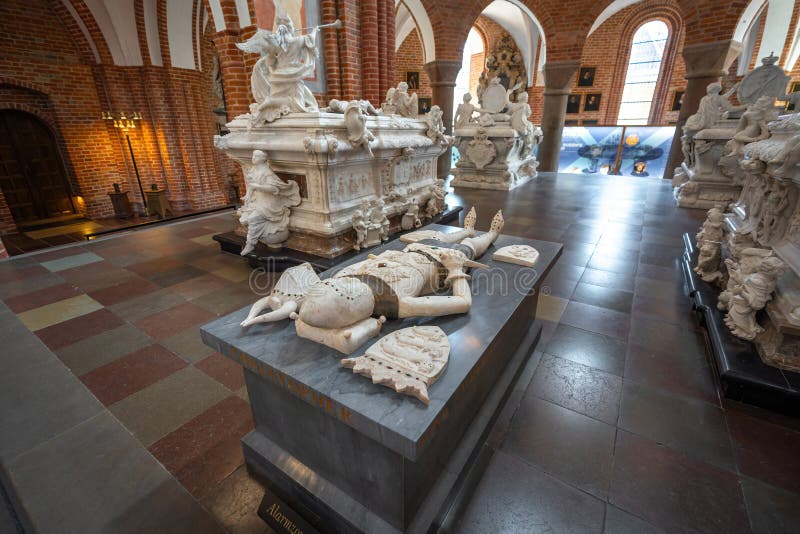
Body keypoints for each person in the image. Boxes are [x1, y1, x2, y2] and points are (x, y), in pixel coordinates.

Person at [239, 150, 301, 255]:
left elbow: (273, 188)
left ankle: (250, 244)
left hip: (269, 202)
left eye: (256, 156)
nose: (253, 158)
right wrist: (248, 195)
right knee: (244, 216)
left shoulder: (267, 173)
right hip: (258, 199)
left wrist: (257, 187)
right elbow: (251, 184)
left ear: (262, 159)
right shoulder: (254, 169)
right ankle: (253, 239)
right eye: (253, 156)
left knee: (253, 218)